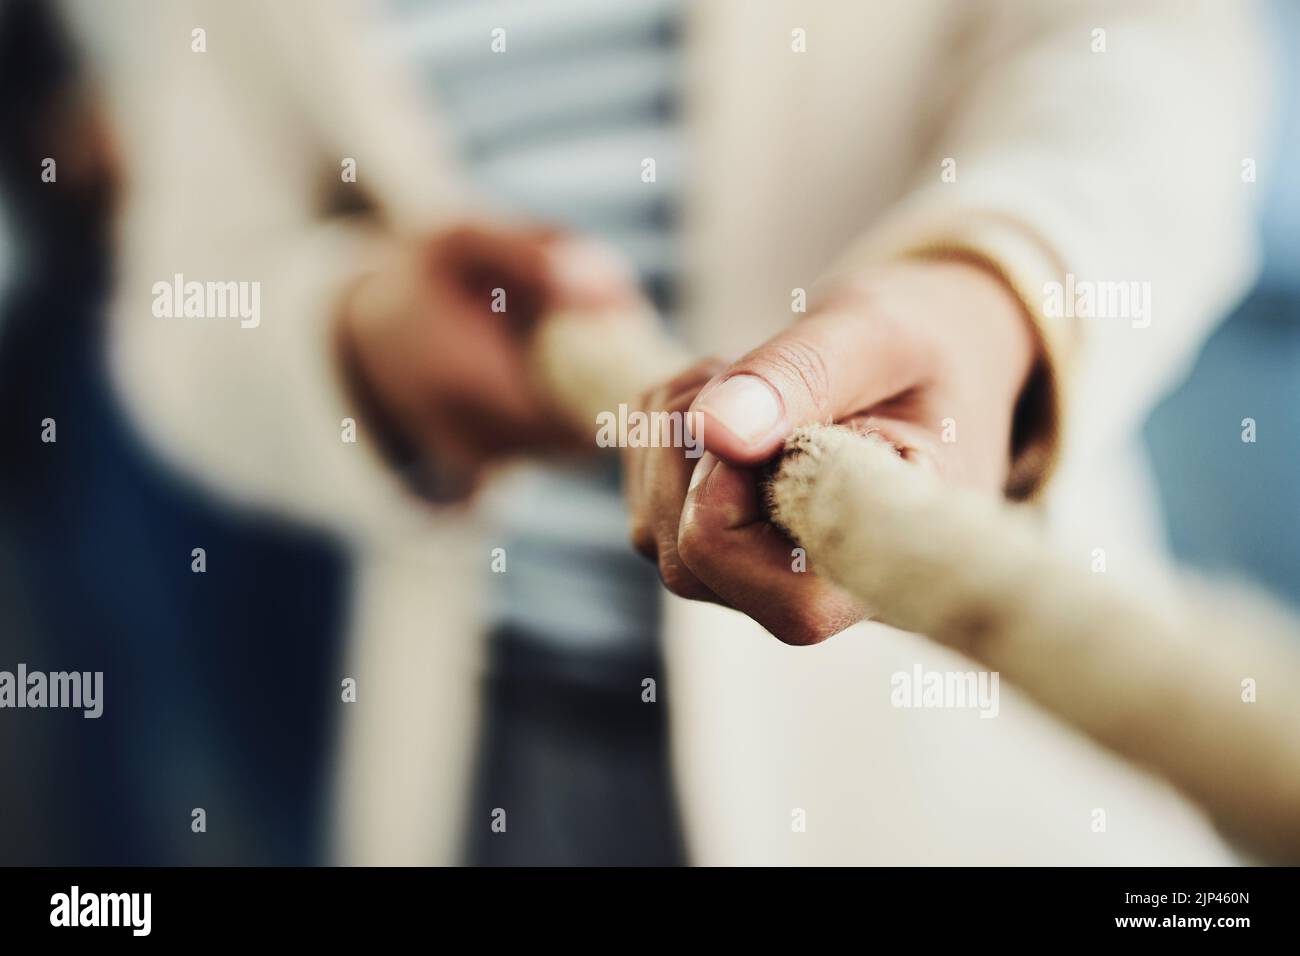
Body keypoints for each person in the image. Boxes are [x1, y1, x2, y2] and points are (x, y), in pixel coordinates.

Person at [61, 0, 1266, 864]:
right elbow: (185, 299)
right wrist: (363, 343)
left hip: (941, 762)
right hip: (488, 746)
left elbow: (1152, 51)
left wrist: (994, 286)